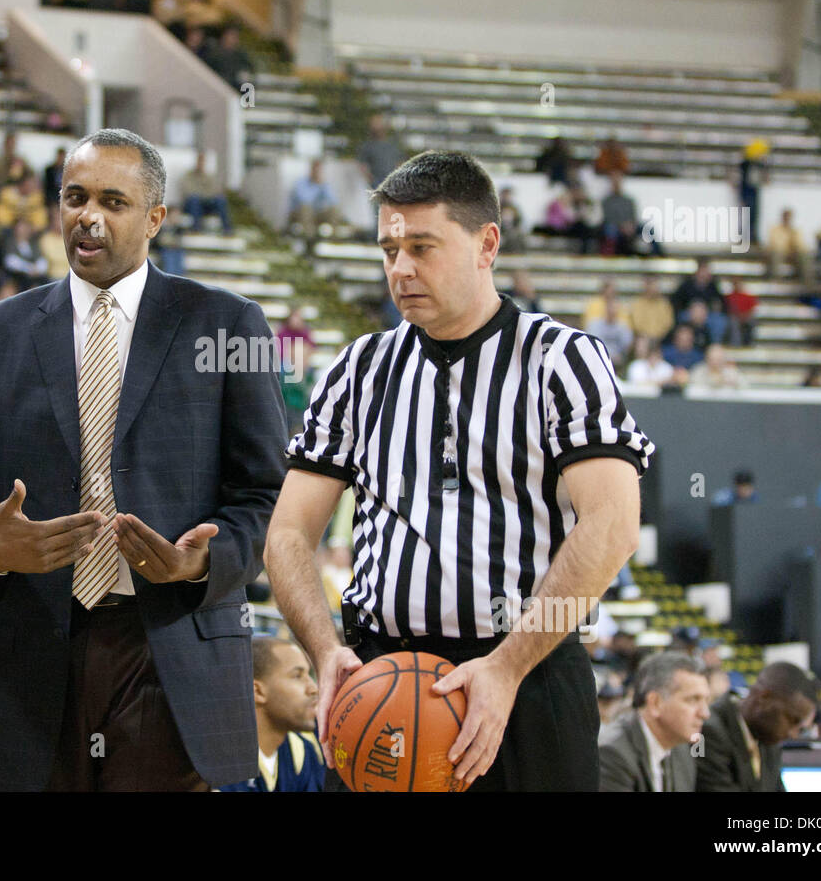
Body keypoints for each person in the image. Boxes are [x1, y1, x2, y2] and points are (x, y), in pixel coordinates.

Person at [263, 150, 654, 791]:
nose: (401, 268)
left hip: (527, 678)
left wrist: (507, 666)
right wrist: (325, 649)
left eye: (422, 246)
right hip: (380, 677)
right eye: (389, 249)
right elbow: (287, 534)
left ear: (486, 244)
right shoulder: (358, 367)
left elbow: (613, 525)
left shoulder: (562, 358)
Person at [0, 127, 287, 792]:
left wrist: (199, 560)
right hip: (34, 655)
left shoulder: (229, 325)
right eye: (74, 197)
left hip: (171, 645)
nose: (88, 216)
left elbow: (268, 500)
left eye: (113, 202)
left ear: (155, 218)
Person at [219, 637, 325, 792]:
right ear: (257, 691)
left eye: (309, 675)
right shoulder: (214, 763)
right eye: (297, 676)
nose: (313, 688)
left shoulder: (302, 751)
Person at [695, 661, 819, 792]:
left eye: (800, 727)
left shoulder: (767, 738)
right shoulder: (707, 733)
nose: (793, 734)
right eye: (792, 720)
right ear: (763, 698)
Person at [598, 652, 708, 791]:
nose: (705, 713)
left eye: (706, 701)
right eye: (693, 700)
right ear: (655, 703)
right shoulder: (613, 753)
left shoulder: (682, 750)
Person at [287, 159, 342, 240]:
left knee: (334, 209)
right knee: (306, 208)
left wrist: (323, 186)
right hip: (300, 212)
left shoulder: (323, 184)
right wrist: (316, 187)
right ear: (311, 169)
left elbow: (333, 201)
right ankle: (310, 238)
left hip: (317, 212)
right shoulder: (301, 183)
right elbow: (304, 200)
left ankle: (333, 237)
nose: (317, 172)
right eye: (315, 169)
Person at [179, 150, 232, 233]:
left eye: (203, 162)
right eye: (199, 161)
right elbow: (188, 191)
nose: (201, 164)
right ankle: (196, 229)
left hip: (206, 204)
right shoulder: (188, 176)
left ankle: (227, 229)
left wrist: (203, 193)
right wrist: (204, 193)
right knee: (194, 199)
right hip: (192, 205)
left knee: (220, 200)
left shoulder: (209, 177)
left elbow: (215, 191)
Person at [764, 208, 810, 283]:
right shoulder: (775, 229)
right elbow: (776, 244)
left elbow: (800, 245)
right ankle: (774, 279)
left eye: (789, 217)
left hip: (793, 253)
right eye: (786, 216)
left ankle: (806, 281)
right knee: (776, 254)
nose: (787, 219)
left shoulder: (795, 231)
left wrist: (793, 237)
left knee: (804, 255)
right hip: (779, 252)